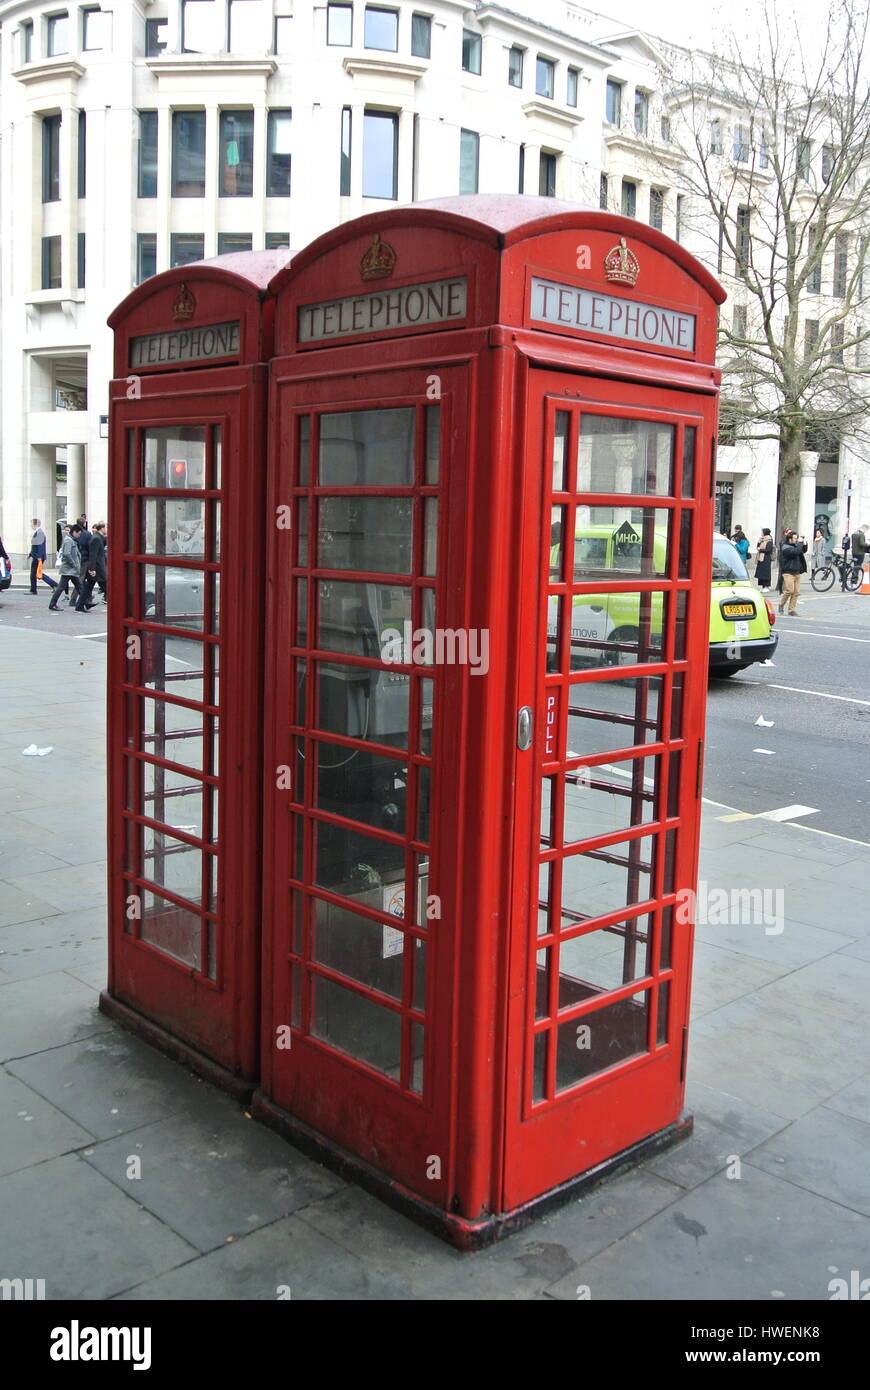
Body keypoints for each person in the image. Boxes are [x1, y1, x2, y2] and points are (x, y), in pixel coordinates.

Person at [48, 524, 85, 611]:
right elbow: (67, 554)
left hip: (71, 570)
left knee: (80, 587)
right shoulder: (69, 540)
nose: (79, 536)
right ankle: (52, 604)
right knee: (62, 587)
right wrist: (74, 564)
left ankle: (85, 603)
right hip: (69, 569)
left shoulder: (72, 540)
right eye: (78, 534)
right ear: (74, 532)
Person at [75, 521, 107, 610]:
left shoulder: (99, 537)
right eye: (106, 527)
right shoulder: (96, 538)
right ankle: (119, 606)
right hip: (97, 568)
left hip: (97, 567)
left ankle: (80, 605)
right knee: (106, 587)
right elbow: (93, 554)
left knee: (88, 587)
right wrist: (92, 568)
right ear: (102, 528)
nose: (108, 530)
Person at [778, 530, 808, 615]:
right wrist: (800, 543)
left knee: (796, 592)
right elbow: (796, 552)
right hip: (788, 572)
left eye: (797, 538)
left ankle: (791, 610)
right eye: (795, 538)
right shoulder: (785, 547)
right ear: (790, 539)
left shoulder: (796, 546)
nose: (796, 540)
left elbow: (802, 550)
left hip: (796, 571)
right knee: (790, 590)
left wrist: (804, 543)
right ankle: (781, 604)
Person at [28, 518, 58, 593]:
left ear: (35, 524)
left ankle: (54, 585)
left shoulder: (39, 533)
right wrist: (30, 554)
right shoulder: (38, 532)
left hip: (38, 557)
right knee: (37, 573)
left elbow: (40, 546)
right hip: (36, 556)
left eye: (31, 524)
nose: (31, 526)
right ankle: (34, 589)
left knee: (36, 573)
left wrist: (39, 557)